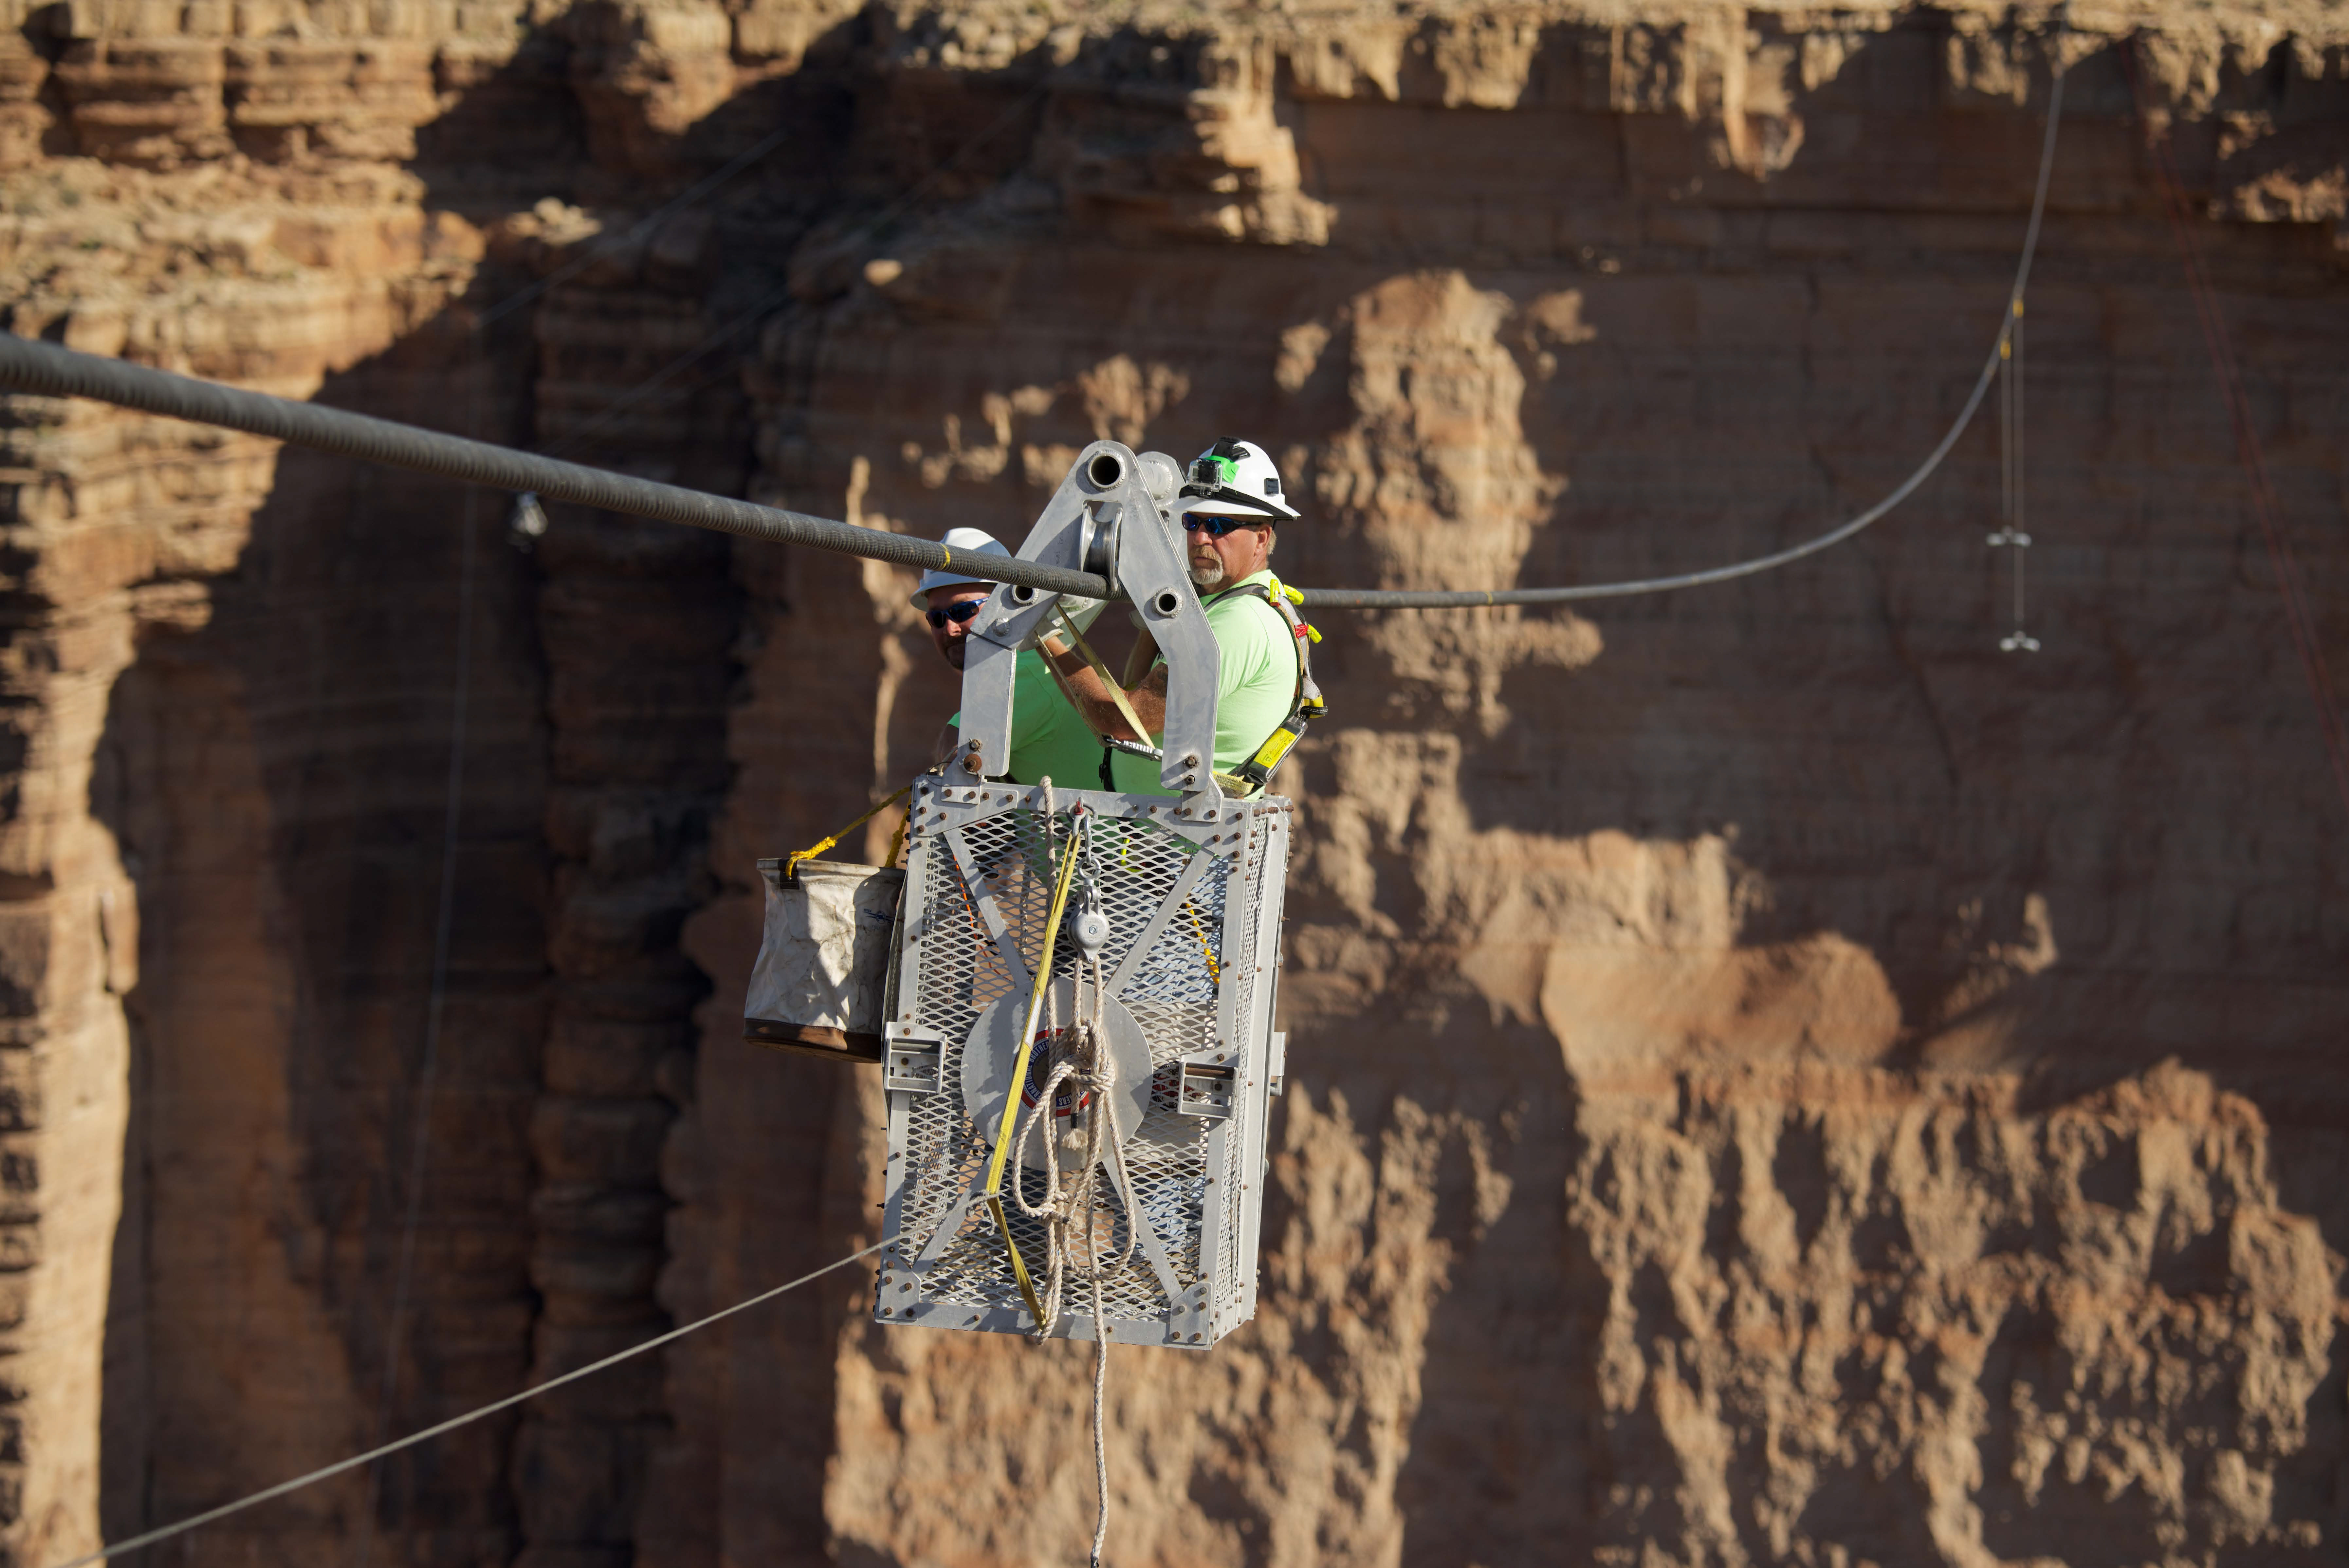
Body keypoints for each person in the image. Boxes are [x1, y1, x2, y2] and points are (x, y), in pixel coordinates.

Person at [1037, 437, 1310, 795]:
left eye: (1218, 525)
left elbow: (1122, 721)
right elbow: (1135, 686)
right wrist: (1166, 610)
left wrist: (1043, 637)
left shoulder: (1239, 624)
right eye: (1192, 520)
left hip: (1179, 842)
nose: (1199, 538)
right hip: (1166, 838)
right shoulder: (1226, 607)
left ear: (1261, 538)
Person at [915, 527, 1105, 788]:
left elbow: (956, 745)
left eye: (963, 610)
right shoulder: (1023, 665)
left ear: (1005, 604)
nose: (949, 628)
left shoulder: (1028, 670)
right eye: (937, 618)